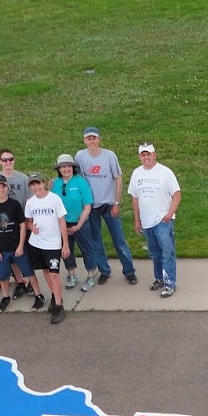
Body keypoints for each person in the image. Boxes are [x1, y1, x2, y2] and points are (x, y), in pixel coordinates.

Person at [75, 126, 138, 285]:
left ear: (99, 139)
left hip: (109, 204)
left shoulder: (109, 156)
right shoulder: (80, 157)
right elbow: (76, 179)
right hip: (91, 206)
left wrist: (116, 202)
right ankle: (104, 270)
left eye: (94, 138)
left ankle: (129, 271)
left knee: (119, 239)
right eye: (88, 139)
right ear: (84, 140)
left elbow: (118, 179)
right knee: (96, 239)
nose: (92, 141)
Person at [128, 142, 180, 298]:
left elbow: (177, 194)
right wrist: (137, 221)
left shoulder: (165, 172)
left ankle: (170, 283)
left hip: (162, 221)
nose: (146, 157)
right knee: (154, 253)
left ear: (154, 155)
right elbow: (135, 199)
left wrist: (169, 214)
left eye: (148, 154)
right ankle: (159, 278)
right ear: (139, 157)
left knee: (167, 253)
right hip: (147, 221)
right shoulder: (137, 174)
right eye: (143, 155)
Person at [18, 172, 70, 323]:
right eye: (33, 184)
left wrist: (65, 244)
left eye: (38, 183)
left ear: (44, 183)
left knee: (54, 273)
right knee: (46, 271)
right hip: (37, 243)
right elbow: (28, 221)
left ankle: (59, 307)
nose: (36, 187)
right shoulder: (31, 202)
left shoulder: (54, 199)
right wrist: (31, 228)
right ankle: (55, 296)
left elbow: (62, 222)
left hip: (53, 244)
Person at [0, 174, 35, 312]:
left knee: (28, 271)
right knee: (3, 275)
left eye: (3, 186)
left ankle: (38, 294)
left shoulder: (14, 204)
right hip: (0, 248)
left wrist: (21, 244)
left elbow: (22, 225)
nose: (0, 189)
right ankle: (5, 297)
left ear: (7, 187)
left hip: (17, 245)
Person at [51, 154, 101, 293]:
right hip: (63, 223)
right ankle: (71, 275)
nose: (66, 169)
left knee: (87, 249)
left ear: (73, 168)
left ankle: (91, 276)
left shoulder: (81, 182)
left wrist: (78, 225)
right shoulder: (55, 183)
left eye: (68, 166)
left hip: (81, 222)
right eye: (63, 167)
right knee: (67, 250)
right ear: (59, 169)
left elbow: (87, 206)